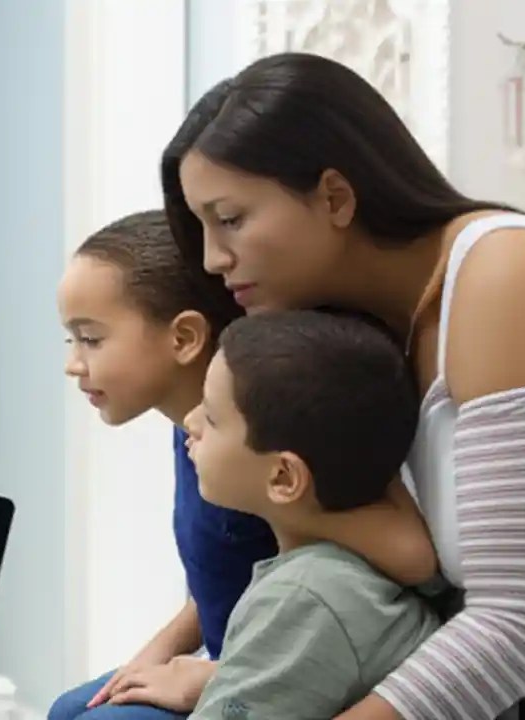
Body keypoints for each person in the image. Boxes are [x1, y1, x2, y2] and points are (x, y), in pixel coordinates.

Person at [163, 50, 525, 720]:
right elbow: (410, 555)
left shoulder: (506, 274)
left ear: (336, 197)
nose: (211, 258)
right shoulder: (355, 330)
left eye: (229, 218)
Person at [48, 211, 437, 720]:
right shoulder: (198, 437)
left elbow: (410, 562)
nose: (73, 363)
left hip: (274, 667)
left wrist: (216, 677)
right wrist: (159, 652)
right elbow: (219, 582)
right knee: (67, 709)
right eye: (70, 340)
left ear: (184, 338)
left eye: (91, 339)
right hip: (244, 653)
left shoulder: (259, 456)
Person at [184, 309, 439, 719]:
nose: (190, 421)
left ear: (283, 477)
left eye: (212, 417)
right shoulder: (337, 578)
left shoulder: (303, 598)